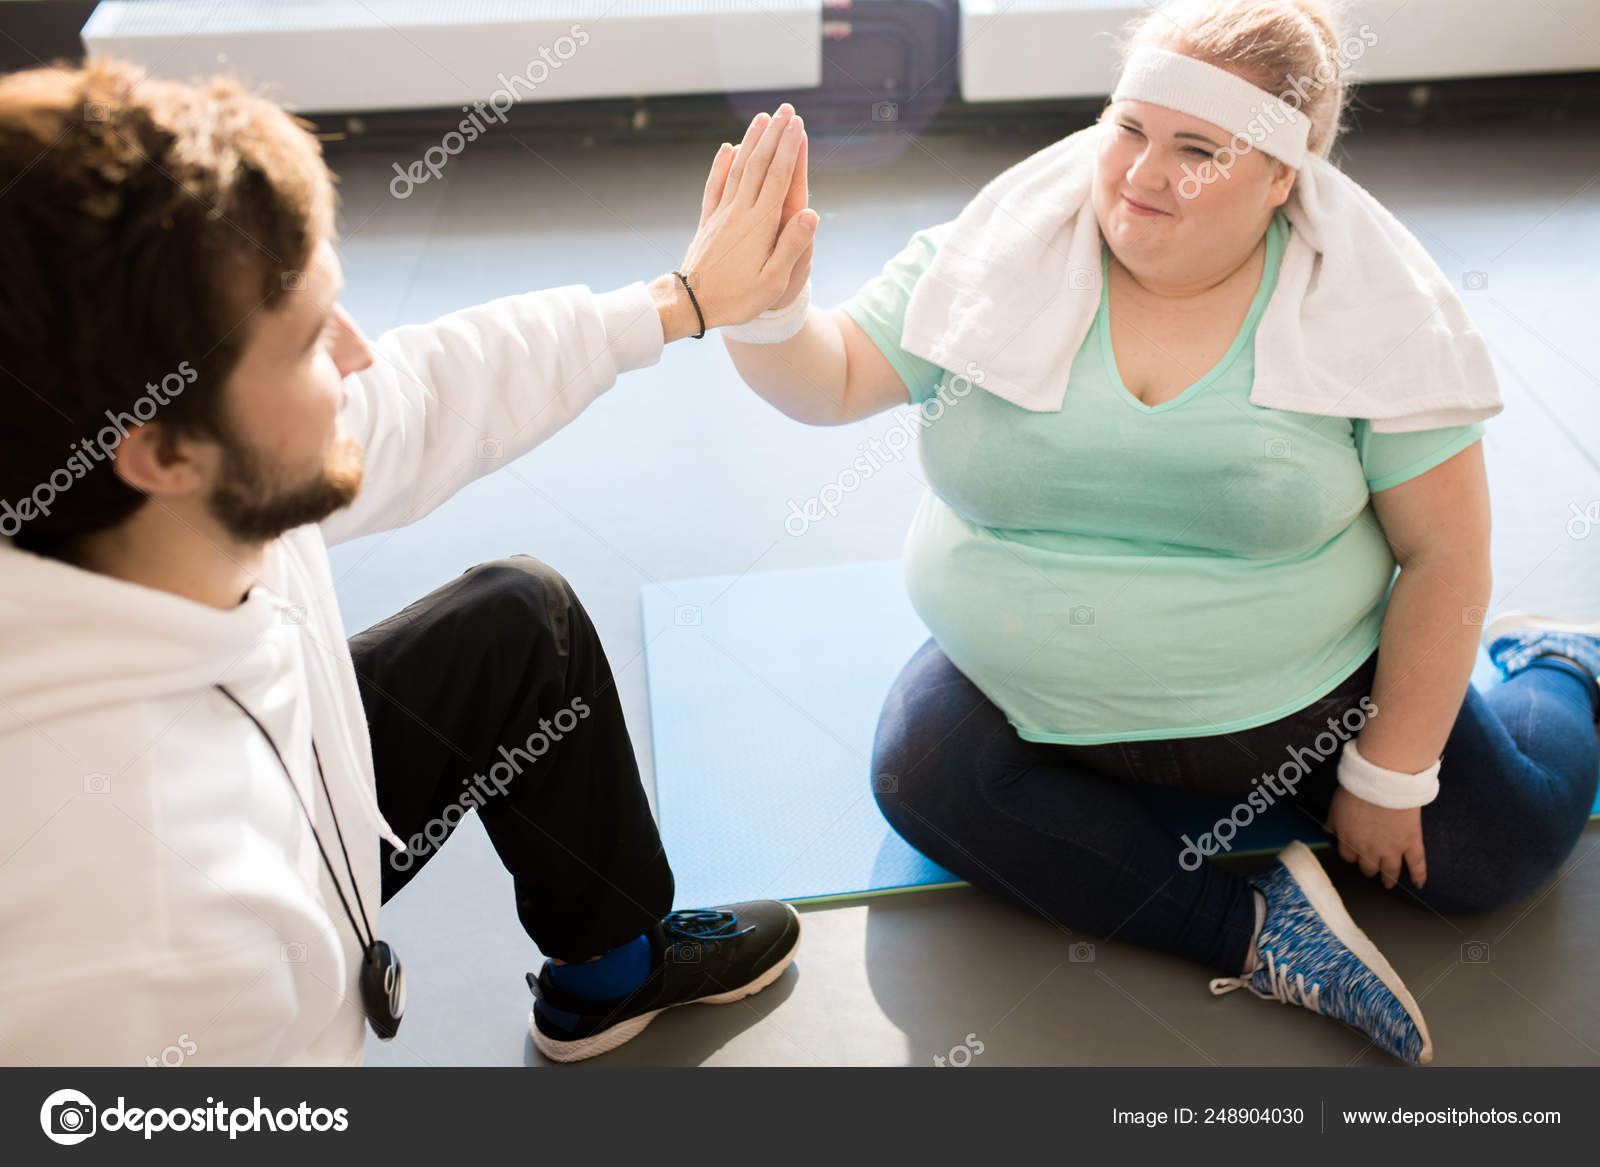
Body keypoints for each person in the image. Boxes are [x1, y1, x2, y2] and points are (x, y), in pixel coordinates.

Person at [722, 0, 1600, 1065]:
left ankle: (1559, 663)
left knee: (1498, 858)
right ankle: (1257, 931)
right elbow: (830, 380)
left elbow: (1444, 555)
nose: (1143, 173)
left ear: (1280, 179)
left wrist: (1388, 772)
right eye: (1129, 128)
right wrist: (762, 309)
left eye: (1197, 150)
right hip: (1024, 694)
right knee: (923, 779)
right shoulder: (992, 259)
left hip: (1301, 702)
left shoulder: (1371, 313)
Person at [0, 59, 819, 1065]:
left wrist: (681, 300)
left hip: (297, 776)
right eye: (309, 340)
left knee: (522, 627)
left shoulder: (150, 483)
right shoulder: (159, 946)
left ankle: (611, 978)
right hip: (259, 915)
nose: (356, 354)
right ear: (164, 453)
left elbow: (424, 392)